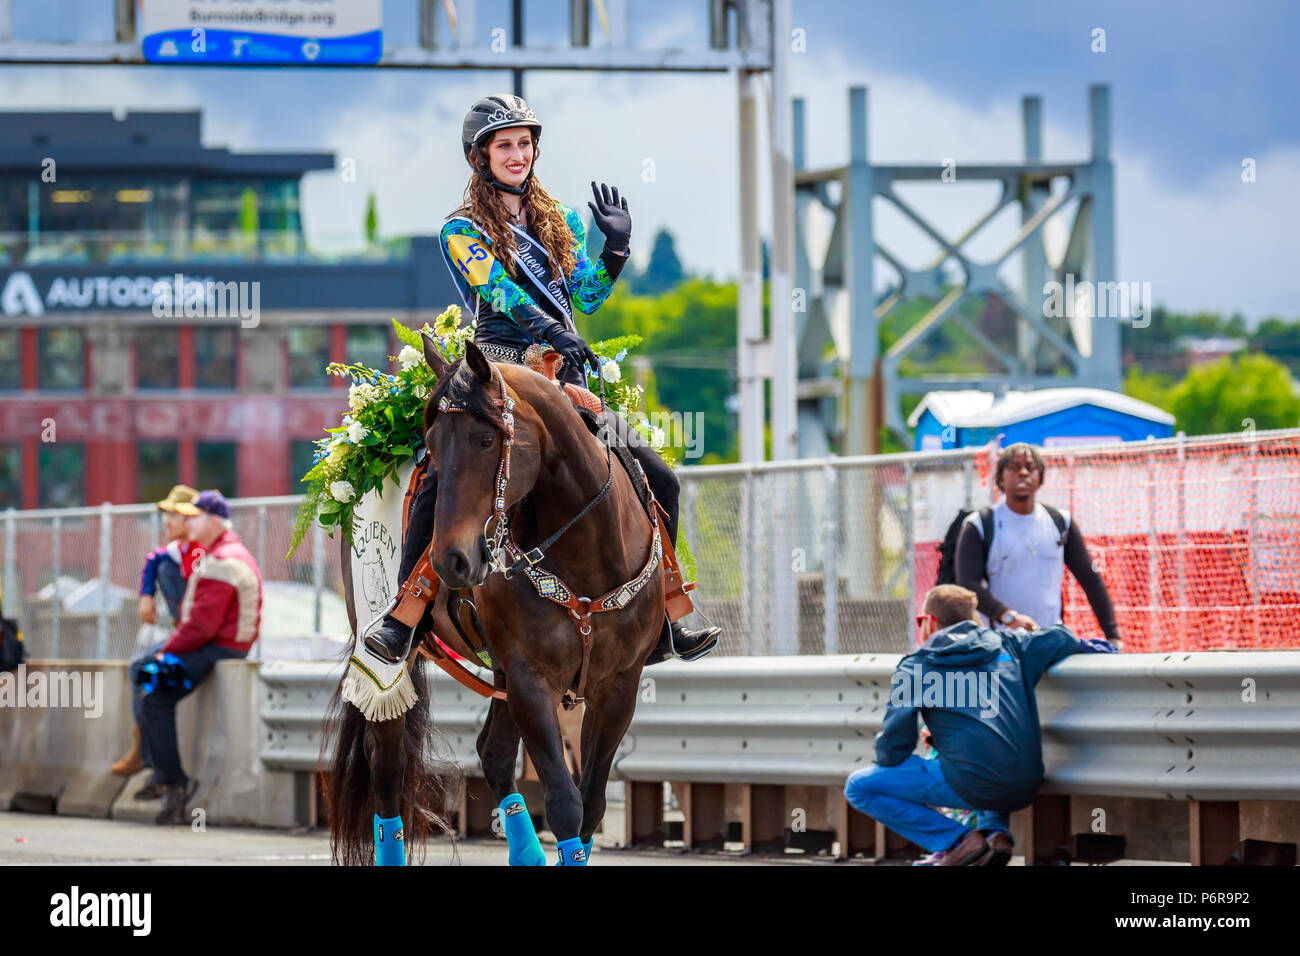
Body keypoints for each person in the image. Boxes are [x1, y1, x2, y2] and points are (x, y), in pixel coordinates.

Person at [363, 93, 720, 666]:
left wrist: (617, 249)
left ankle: (667, 612)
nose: (518, 154)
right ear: (480, 157)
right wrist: (553, 332)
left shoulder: (560, 223)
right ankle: (404, 614)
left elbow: (587, 297)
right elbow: (499, 292)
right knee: (443, 475)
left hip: (566, 376)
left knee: (660, 477)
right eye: (505, 144)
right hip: (497, 368)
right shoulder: (460, 229)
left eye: (525, 143)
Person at [844, 584, 1116, 865]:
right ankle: (995, 835)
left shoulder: (917, 666)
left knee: (859, 787)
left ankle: (958, 841)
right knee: (984, 749)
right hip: (1027, 783)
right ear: (972, 619)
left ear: (930, 622)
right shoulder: (1012, 646)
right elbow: (1061, 635)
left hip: (973, 784)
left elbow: (893, 749)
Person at [134, 490, 262, 824]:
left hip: (215, 649)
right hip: (217, 645)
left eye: (194, 516)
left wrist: (163, 652)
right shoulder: (219, 552)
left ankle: (172, 782)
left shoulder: (223, 559)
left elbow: (200, 629)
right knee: (147, 684)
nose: (187, 521)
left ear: (214, 520)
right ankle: (162, 774)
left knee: (154, 697)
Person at [956, 442, 1123, 649]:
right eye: (1015, 468)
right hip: (1001, 644)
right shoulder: (980, 524)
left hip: (1049, 641)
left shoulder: (1060, 521)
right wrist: (1006, 616)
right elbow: (967, 583)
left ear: (1040, 477)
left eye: (1030, 467)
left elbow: (1090, 579)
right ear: (1000, 478)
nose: (1023, 473)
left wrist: (1113, 634)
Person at [112, 484, 202, 778]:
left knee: (141, 668)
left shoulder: (202, 551)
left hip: (201, 637)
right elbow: (153, 560)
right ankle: (144, 752)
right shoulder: (169, 555)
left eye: (173, 515)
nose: (166, 522)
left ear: (190, 518)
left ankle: (148, 758)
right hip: (183, 633)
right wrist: (146, 594)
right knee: (139, 669)